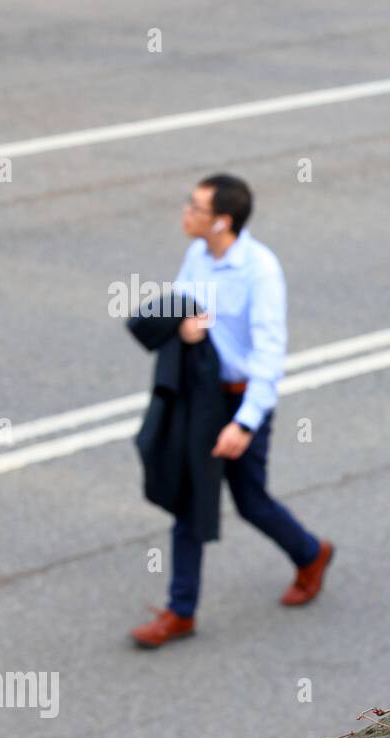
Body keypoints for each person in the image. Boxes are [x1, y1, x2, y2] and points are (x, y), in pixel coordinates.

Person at [129, 174, 334, 648]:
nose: (185, 211)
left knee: (250, 501)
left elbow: (269, 352)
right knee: (188, 499)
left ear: (222, 220)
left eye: (194, 207)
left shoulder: (260, 270)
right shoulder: (198, 255)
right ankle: (180, 611)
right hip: (201, 397)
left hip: (242, 398)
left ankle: (310, 553)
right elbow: (186, 306)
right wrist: (186, 332)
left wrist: (245, 423)